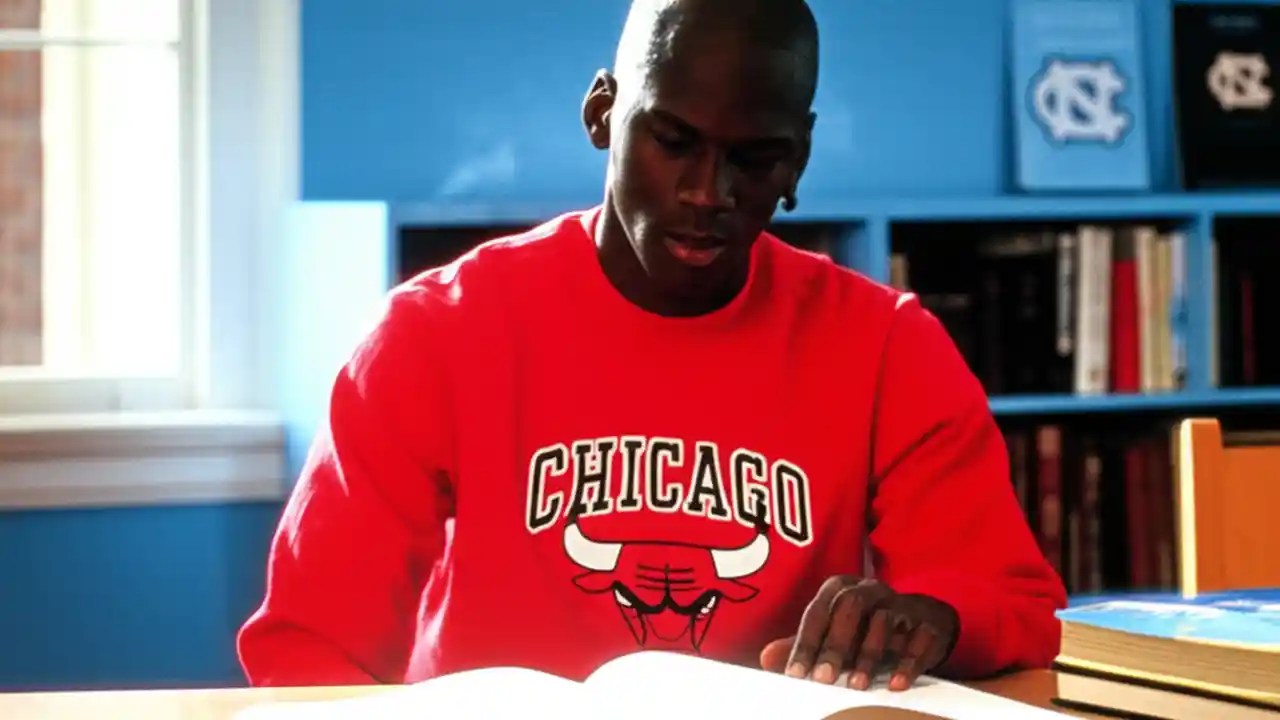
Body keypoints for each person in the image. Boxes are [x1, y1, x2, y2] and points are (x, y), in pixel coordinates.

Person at [237, 0, 1067, 693]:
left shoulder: (889, 346)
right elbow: (308, 645)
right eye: (672, 141)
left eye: (754, 159)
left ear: (798, 160)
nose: (708, 193)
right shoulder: (431, 333)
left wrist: (936, 619)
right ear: (603, 113)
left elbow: (1015, 605)